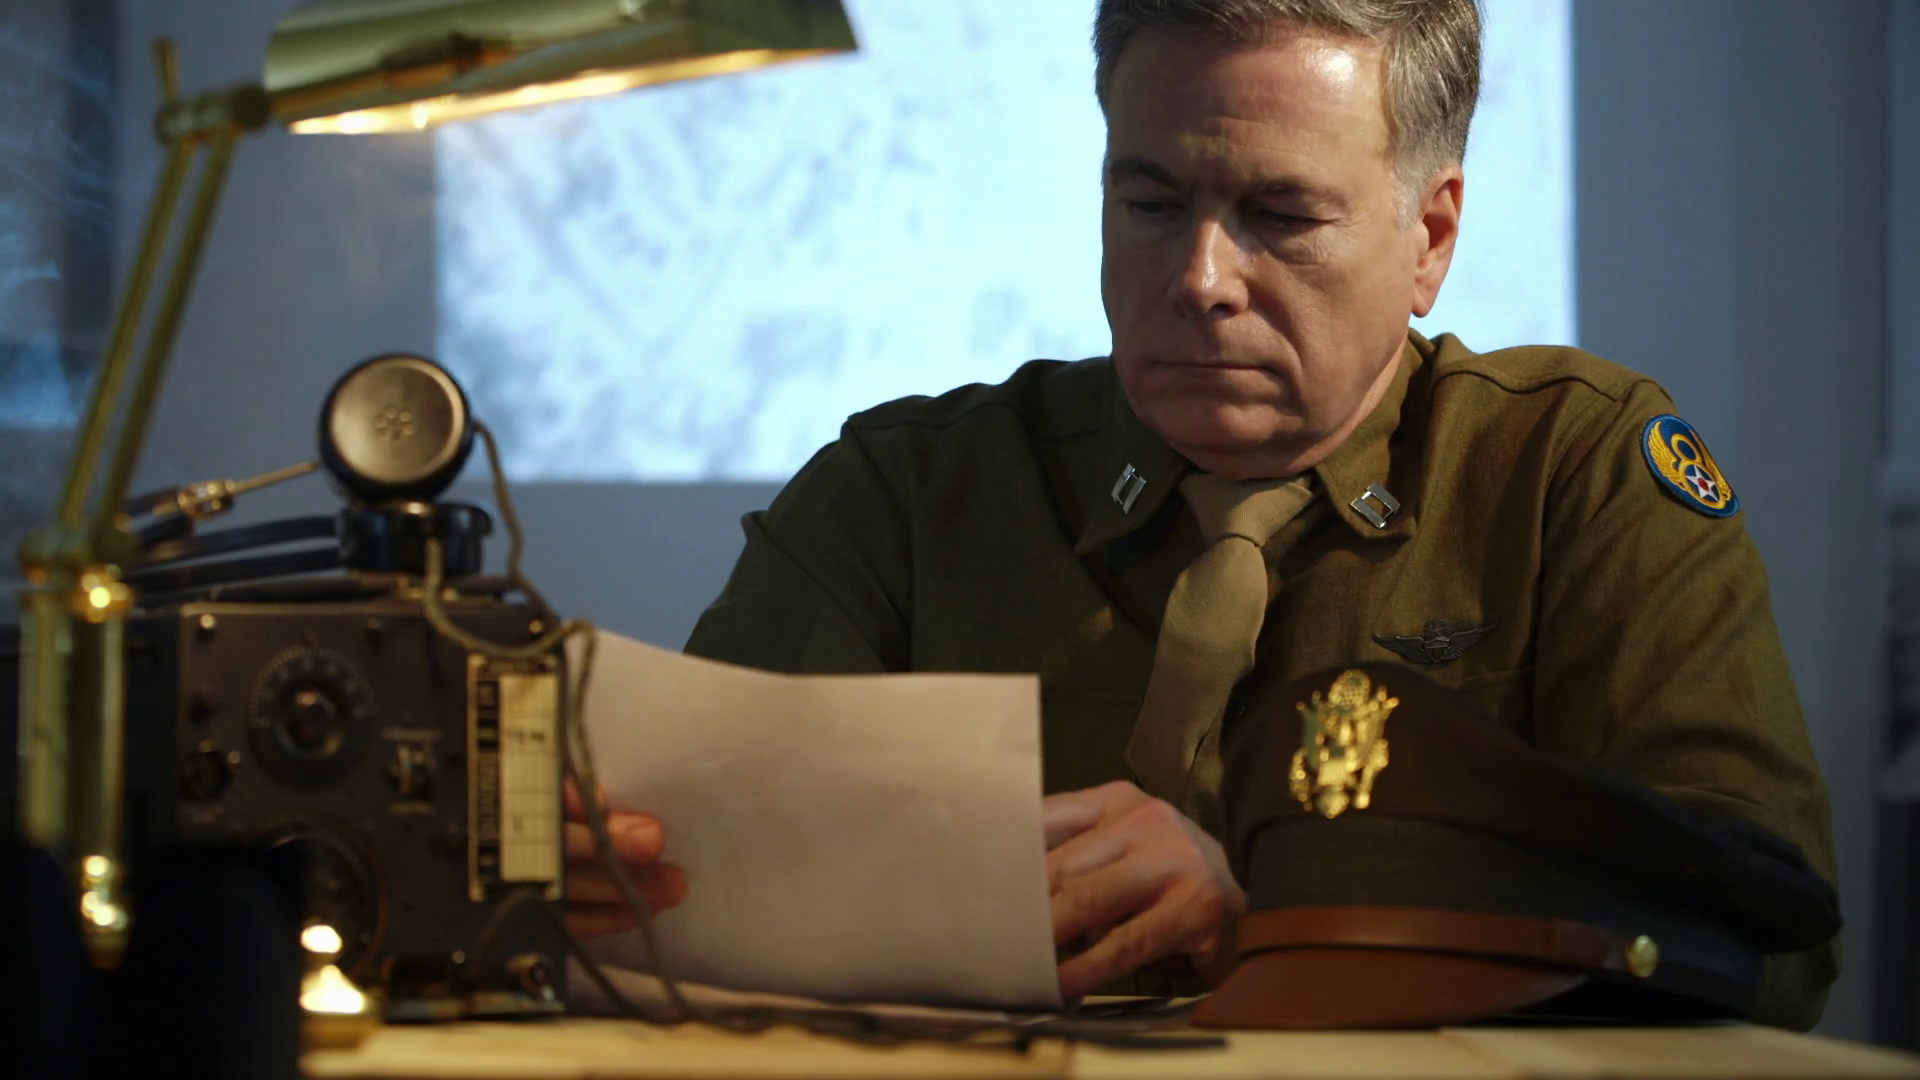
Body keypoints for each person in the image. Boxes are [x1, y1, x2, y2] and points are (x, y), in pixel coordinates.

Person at [561, 0, 1839, 1028]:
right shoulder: (909, 491)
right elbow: (697, 881)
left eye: (1280, 216)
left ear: (1431, 235)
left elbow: (1766, 936)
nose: (1198, 280)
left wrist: (1282, 923)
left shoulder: (1574, 471)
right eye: (1150, 204)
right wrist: (613, 866)